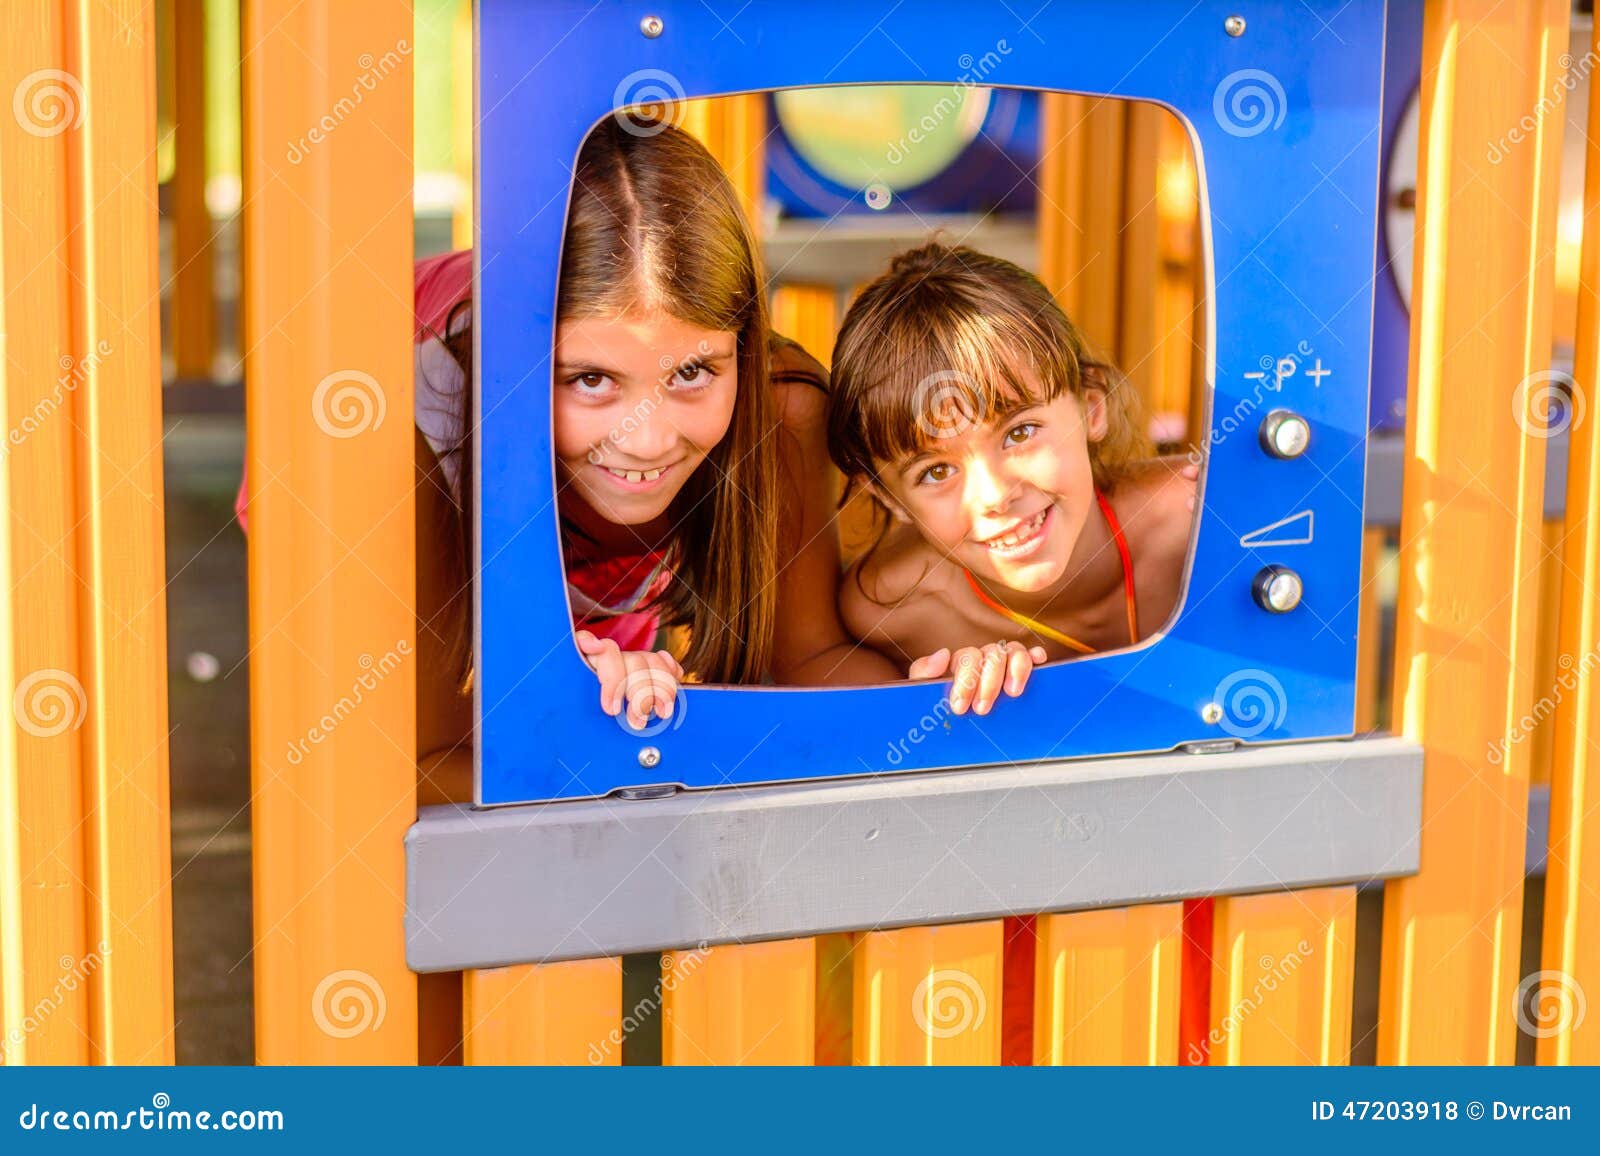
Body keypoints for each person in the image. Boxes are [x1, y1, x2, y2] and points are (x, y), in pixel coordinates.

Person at [825, 238, 1199, 1063]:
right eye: (935, 473)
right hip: (1017, 907)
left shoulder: (1191, 520)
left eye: (1020, 431)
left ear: (1090, 408)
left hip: (1197, 867)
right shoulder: (899, 604)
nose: (995, 496)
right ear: (890, 497)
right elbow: (882, 796)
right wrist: (943, 698)